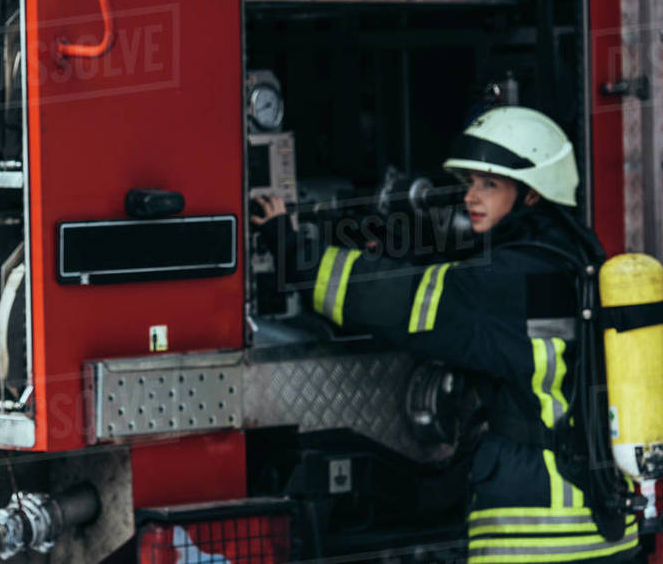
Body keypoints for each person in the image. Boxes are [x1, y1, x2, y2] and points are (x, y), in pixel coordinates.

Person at [254, 106, 639, 563]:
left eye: (489, 185)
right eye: (471, 183)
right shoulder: (576, 264)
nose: (471, 197)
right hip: (606, 520)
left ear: (532, 195)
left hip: (537, 532)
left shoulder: (499, 282)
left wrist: (291, 250)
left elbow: (394, 302)